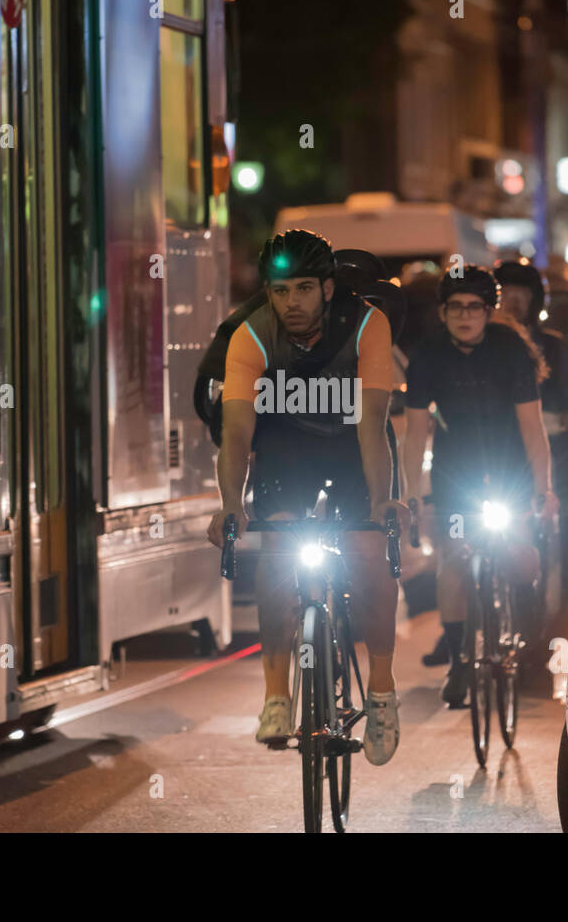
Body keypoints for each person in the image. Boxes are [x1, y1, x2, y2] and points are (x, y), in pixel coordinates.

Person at [205, 230, 410, 765]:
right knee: (275, 563)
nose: (291, 302)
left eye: (302, 289)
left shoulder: (367, 323)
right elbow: (237, 437)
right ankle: (276, 693)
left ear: (326, 287)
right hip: (285, 454)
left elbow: (372, 427)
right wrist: (231, 504)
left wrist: (382, 503)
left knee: (369, 557)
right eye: (279, 291)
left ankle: (383, 692)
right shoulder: (251, 336)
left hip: (353, 451)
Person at [400, 264, 558, 707]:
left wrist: (543, 489)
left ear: (489, 312)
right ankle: (461, 662)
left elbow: (532, 428)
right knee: (452, 559)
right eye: (455, 308)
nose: (464, 316)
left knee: (522, 557)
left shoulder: (511, 351)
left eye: (474, 307)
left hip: (511, 472)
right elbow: (415, 434)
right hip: (456, 477)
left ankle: (523, 644)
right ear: (442, 313)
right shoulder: (427, 356)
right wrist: (413, 492)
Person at [494, 260, 568, 617]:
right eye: (503, 294)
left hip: (555, 459)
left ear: (535, 301)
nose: (513, 301)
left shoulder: (555, 348)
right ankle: (460, 621)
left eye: (521, 294)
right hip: (495, 464)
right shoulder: (476, 348)